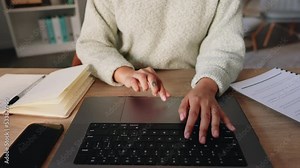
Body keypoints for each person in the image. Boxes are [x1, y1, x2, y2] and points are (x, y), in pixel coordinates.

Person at [77, 0, 245, 144]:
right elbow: (93, 42)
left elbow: (224, 45)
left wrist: (207, 86)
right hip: (123, 89)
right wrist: (125, 73)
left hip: (195, 85)